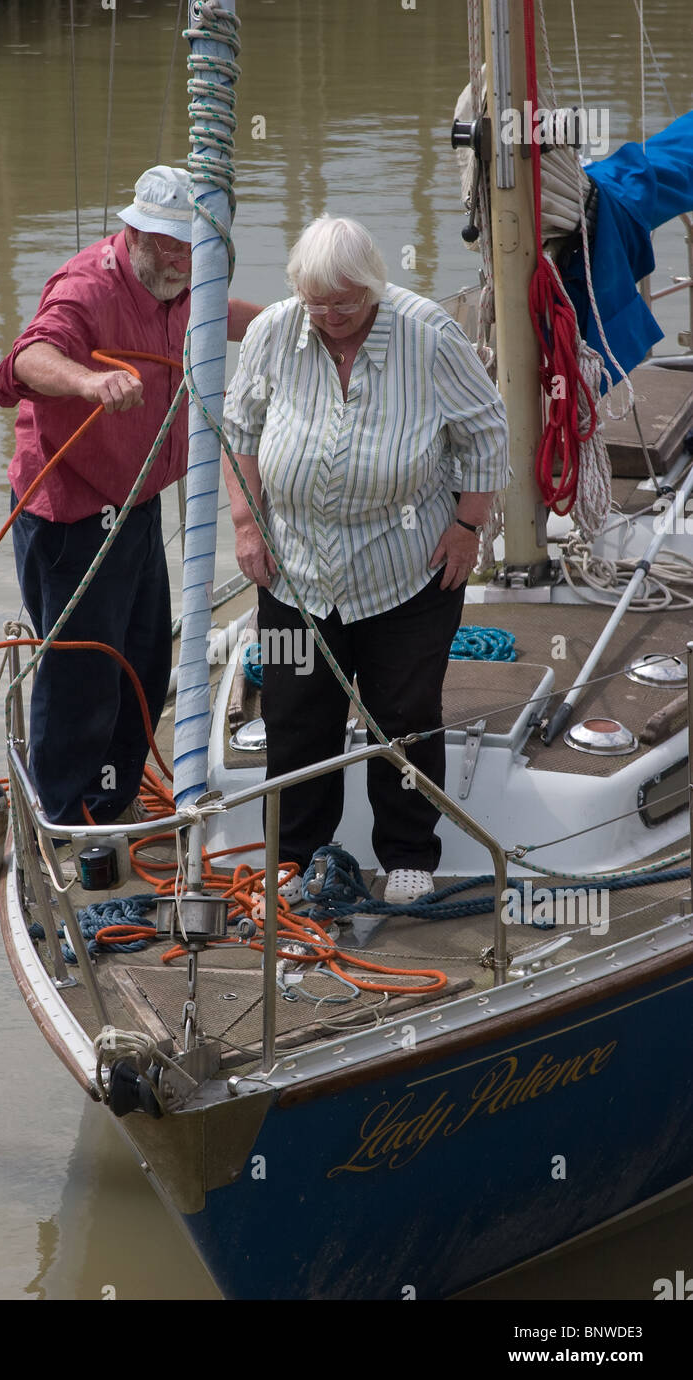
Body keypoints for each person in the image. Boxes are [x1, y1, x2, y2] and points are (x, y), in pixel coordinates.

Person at [222, 215, 509, 906]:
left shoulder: (427, 333)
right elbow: (240, 430)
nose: (329, 319)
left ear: (374, 288)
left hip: (406, 572)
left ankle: (409, 853)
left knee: (403, 714)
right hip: (295, 576)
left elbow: (485, 430)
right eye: (316, 305)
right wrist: (246, 526)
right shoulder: (274, 333)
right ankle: (293, 857)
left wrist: (469, 524)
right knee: (295, 715)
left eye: (345, 305)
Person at [0, 165, 261, 827]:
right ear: (135, 232)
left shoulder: (182, 281)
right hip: (74, 512)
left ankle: (114, 794)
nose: (184, 261)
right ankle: (67, 819)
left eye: (195, 248)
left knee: (141, 656)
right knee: (84, 669)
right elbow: (28, 358)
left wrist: (307, 321)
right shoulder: (87, 288)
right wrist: (87, 383)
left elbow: (229, 315)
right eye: (172, 246)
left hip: (135, 500)